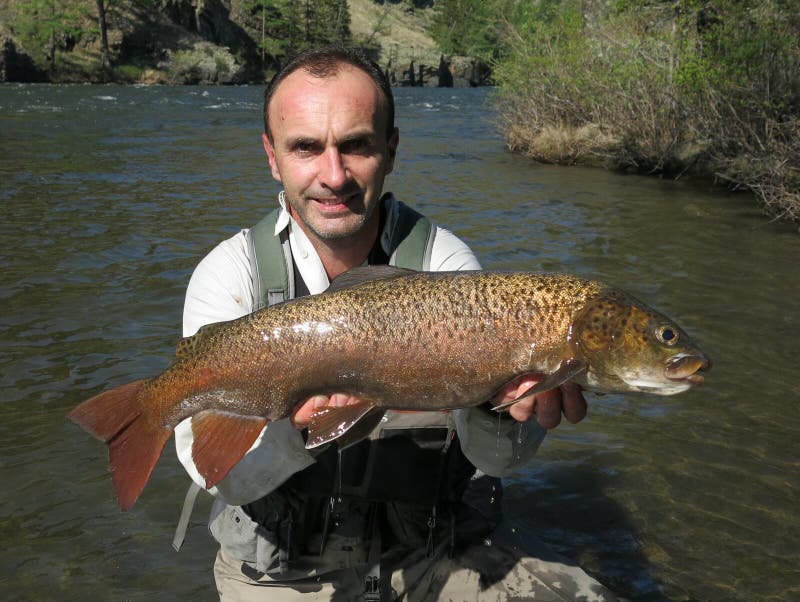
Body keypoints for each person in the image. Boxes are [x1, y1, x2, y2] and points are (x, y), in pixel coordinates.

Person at [174, 46, 619, 601]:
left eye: (356, 145)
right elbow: (217, 474)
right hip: (284, 570)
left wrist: (499, 410)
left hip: (431, 552)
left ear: (391, 148)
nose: (333, 175)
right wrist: (300, 431)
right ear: (272, 156)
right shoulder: (229, 276)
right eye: (307, 147)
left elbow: (496, 459)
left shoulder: (447, 266)